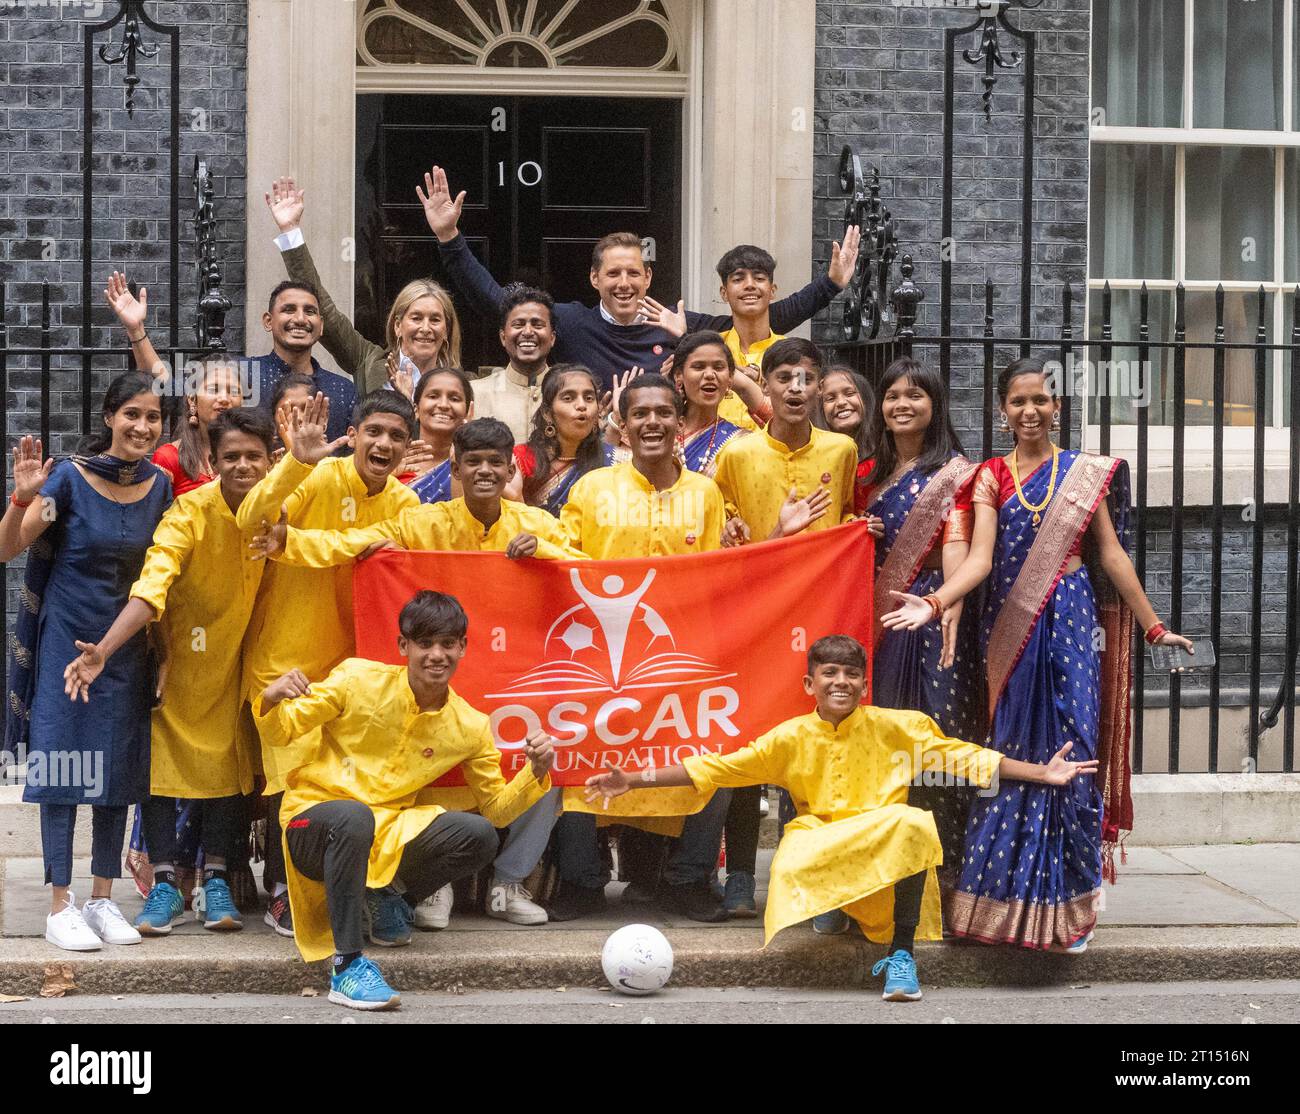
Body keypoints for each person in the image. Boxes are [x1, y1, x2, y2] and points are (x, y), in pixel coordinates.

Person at [584, 635, 1099, 1001]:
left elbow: (966, 758)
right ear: (810, 683)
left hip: (878, 841)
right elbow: (716, 768)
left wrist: (1040, 772)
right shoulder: (788, 737)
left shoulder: (899, 728)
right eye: (830, 673)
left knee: (913, 823)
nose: (842, 681)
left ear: (864, 684)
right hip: (823, 842)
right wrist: (633, 779)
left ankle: (901, 959)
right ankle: (835, 903)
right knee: (795, 851)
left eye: (852, 673)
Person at [882, 356, 1192, 951]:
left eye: (1040, 401)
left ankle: (1071, 908)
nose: (1029, 411)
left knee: (1071, 745)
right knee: (1011, 748)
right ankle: (1002, 903)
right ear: (1003, 411)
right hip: (1006, 622)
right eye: (1018, 402)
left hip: (1069, 620)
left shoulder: (1081, 473)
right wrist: (935, 601)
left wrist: (1153, 627)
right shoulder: (992, 475)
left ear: (1057, 407)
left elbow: (1110, 555)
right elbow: (979, 560)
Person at [252, 417, 583, 927]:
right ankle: (430, 888)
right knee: (419, 768)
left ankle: (509, 882)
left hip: (518, 688)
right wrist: (286, 543)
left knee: (547, 766)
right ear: (454, 467)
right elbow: (355, 542)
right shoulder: (423, 521)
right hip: (438, 691)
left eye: (496, 462)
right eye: (473, 462)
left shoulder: (536, 525)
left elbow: (592, 568)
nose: (485, 471)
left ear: (512, 468)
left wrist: (548, 553)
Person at [551, 373, 829, 923]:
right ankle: (582, 882)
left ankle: (688, 879)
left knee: (713, 755)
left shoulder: (705, 494)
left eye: (662, 413)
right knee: (576, 756)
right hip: (600, 664)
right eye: (639, 414)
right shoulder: (590, 490)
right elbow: (561, 565)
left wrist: (777, 537)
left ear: (680, 424)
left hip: (685, 661)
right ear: (622, 428)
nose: (651, 422)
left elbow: (727, 575)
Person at [258, 591, 556, 1010]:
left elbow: (497, 810)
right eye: (425, 644)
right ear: (404, 647)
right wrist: (272, 698)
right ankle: (347, 966)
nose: (437, 655)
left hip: (386, 836)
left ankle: (390, 896)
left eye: (448, 644)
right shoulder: (356, 678)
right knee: (353, 817)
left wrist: (535, 773)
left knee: (479, 834)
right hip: (314, 823)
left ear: (463, 648)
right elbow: (279, 732)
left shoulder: (470, 725)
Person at [63, 408, 277, 936]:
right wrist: (107, 649)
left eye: (254, 456)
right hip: (176, 662)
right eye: (232, 457)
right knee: (162, 773)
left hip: (236, 662)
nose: (243, 465)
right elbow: (153, 582)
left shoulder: (277, 513)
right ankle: (164, 883)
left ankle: (218, 880)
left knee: (226, 771)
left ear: (271, 461)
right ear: (212, 459)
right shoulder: (188, 512)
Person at [418, 165, 861, 391]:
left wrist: (830, 286)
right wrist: (450, 238)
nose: (624, 283)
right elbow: (500, 306)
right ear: (595, 279)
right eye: (613, 273)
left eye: (634, 272)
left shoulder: (678, 323)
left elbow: (761, 316)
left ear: (648, 278)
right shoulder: (569, 321)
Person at [1, 372, 172, 951]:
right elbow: (10, 546)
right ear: (109, 418)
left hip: (125, 648)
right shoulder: (70, 480)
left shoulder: (161, 487)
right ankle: (59, 903)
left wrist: (165, 653)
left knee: (118, 769)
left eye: (152, 417)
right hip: (67, 643)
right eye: (132, 415)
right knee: (65, 764)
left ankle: (102, 898)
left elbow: (164, 577)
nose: (142, 427)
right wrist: (23, 496)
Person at [237, 391, 418, 937]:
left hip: (356, 668)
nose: (383, 444)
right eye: (374, 432)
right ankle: (281, 891)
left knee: (346, 788)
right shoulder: (317, 475)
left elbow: (387, 544)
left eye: (395, 436)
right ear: (355, 434)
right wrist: (295, 462)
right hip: (285, 657)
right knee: (287, 786)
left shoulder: (407, 506)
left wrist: (296, 542)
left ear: (408, 449)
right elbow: (251, 520)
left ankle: (352, 890)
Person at [830, 357, 981, 921]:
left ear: (934, 406)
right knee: (884, 745)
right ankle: (884, 868)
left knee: (935, 742)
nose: (901, 404)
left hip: (930, 620)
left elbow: (957, 552)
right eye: (892, 395)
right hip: (880, 623)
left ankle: (946, 873)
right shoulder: (868, 475)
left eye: (915, 395)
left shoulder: (958, 475)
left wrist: (944, 610)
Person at [266, 177, 461, 395]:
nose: (425, 328)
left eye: (435, 319)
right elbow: (325, 312)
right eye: (416, 318)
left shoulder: (462, 382)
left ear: (447, 330)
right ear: (398, 326)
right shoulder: (369, 362)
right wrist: (290, 231)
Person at [714, 338, 857, 546]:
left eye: (806, 379)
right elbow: (723, 517)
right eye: (784, 378)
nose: (795, 388)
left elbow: (846, 512)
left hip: (824, 574)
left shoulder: (843, 450)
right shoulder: (737, 454)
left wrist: (858, 523)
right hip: (766, 576)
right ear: (764, 385)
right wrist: (730, 527)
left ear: (820, 388)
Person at [506, 365, 615, 517]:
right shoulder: (521, 460)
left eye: (589, 398)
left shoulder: (616, 461)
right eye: (568, 398)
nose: (582, 405)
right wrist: (517, 500)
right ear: (547, 413)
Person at [469, 286, 556, 442]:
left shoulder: (570, 394)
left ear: (552, 338)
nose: (528, 332)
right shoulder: (474, 394)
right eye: (518, 324)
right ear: (503, 337)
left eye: (537, 325)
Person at [668, 331, 750, 477]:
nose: (710, 375)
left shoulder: (743, 441)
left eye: (718, 367)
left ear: (730, 378)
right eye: (698, 367)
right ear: (679, 375)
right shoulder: (658, 431)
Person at [394, 367, 474, 502]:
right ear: (416, 409)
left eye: (454, 399)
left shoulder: (476, 467)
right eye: (433, 396)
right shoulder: (392, 460)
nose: (443, 405)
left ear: (468, 411)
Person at [814, 364, 875, 514]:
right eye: (830, 398)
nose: (841, 402)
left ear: (865, 398)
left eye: (849, 393)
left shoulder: (888, 450)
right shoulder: (813, 457)